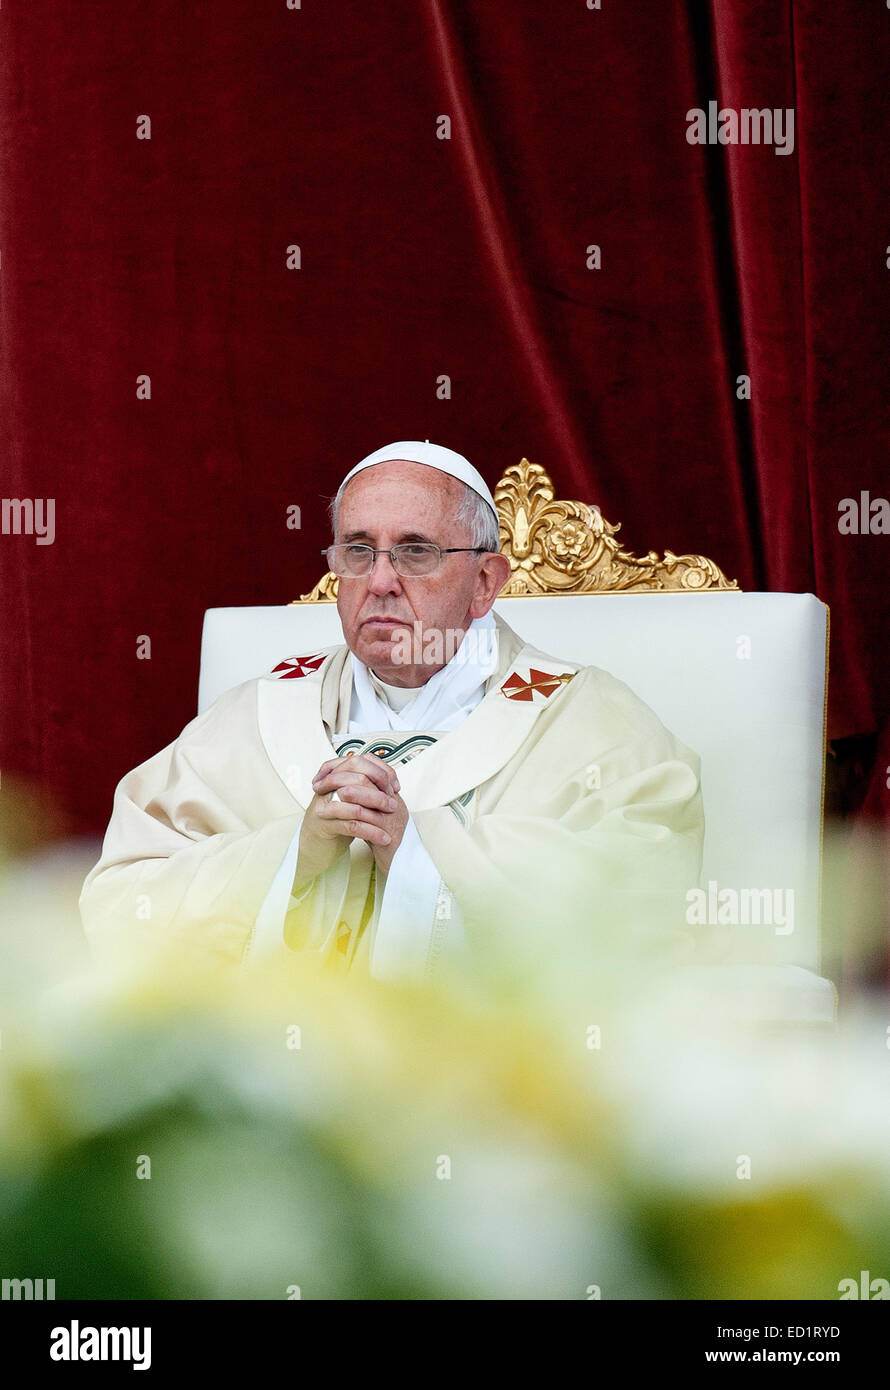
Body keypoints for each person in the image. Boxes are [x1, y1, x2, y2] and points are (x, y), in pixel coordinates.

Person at [79, 441, 704, 985]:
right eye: (358, 550)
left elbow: (644, 901)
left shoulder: (586, 718)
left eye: (414, 551)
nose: (379, 580)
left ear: (485, 582)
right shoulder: (255, 714)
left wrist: (418, 853)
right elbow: (120, 902)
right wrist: (295, 855)